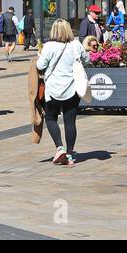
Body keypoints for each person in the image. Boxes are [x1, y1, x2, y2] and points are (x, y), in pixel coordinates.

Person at [35, 19, 89, 167]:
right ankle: (70, 154)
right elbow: (87, 59)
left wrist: (40, 55)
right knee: (70, 121)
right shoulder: (76, 45)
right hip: (72, 89)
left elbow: (40, 65)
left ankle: (60, 148)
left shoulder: (49, 46)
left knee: (51, 118)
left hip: (53, 89)